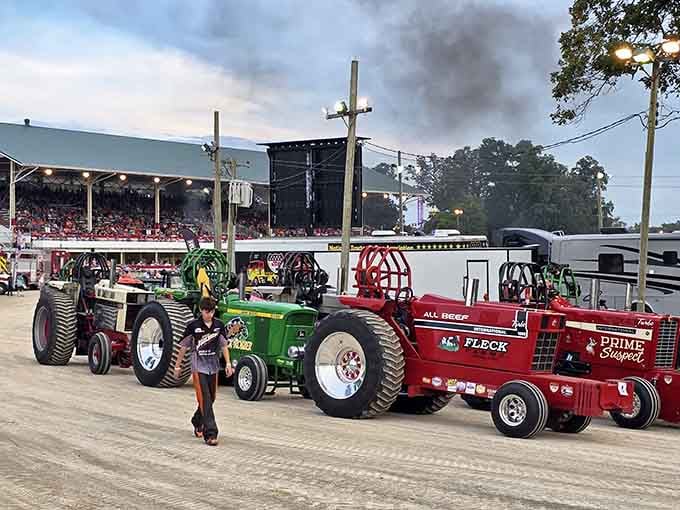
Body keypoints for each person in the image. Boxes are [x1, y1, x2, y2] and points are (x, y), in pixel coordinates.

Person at [174, 297, 234, 446]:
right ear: (201, 310)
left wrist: (228, 363)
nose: (209, 315)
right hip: (198, 367)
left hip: (213, 367)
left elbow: (224, 345)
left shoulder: (219, 325)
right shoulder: (193, 326)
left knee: (212, 398)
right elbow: (183, 347)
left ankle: (197, 420)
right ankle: (210, 434)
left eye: (212, 312)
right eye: (207, 312)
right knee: (205, 399)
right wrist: (177, 365)